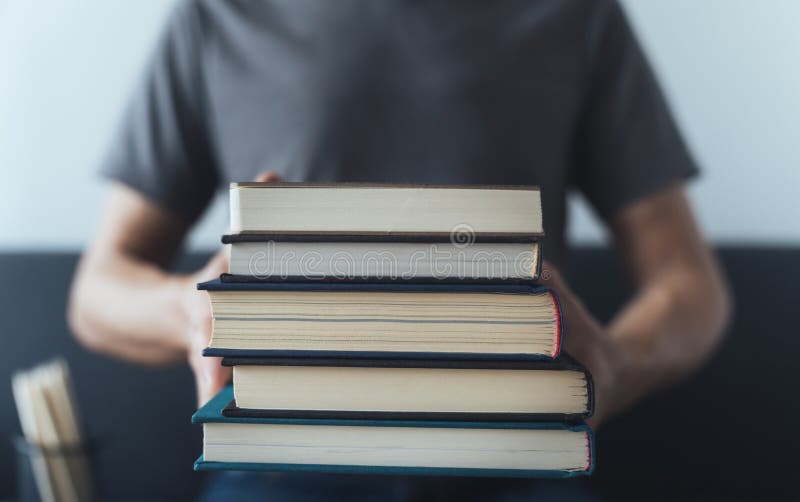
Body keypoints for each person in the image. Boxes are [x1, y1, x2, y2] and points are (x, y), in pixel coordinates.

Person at [68, 0, 731, 499]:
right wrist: (193, 307)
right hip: (278, 466)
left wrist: (614, 368)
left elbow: (689, 281)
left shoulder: (576, 13)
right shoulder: (217, 15)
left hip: (516, 465)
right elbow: (98, 290)